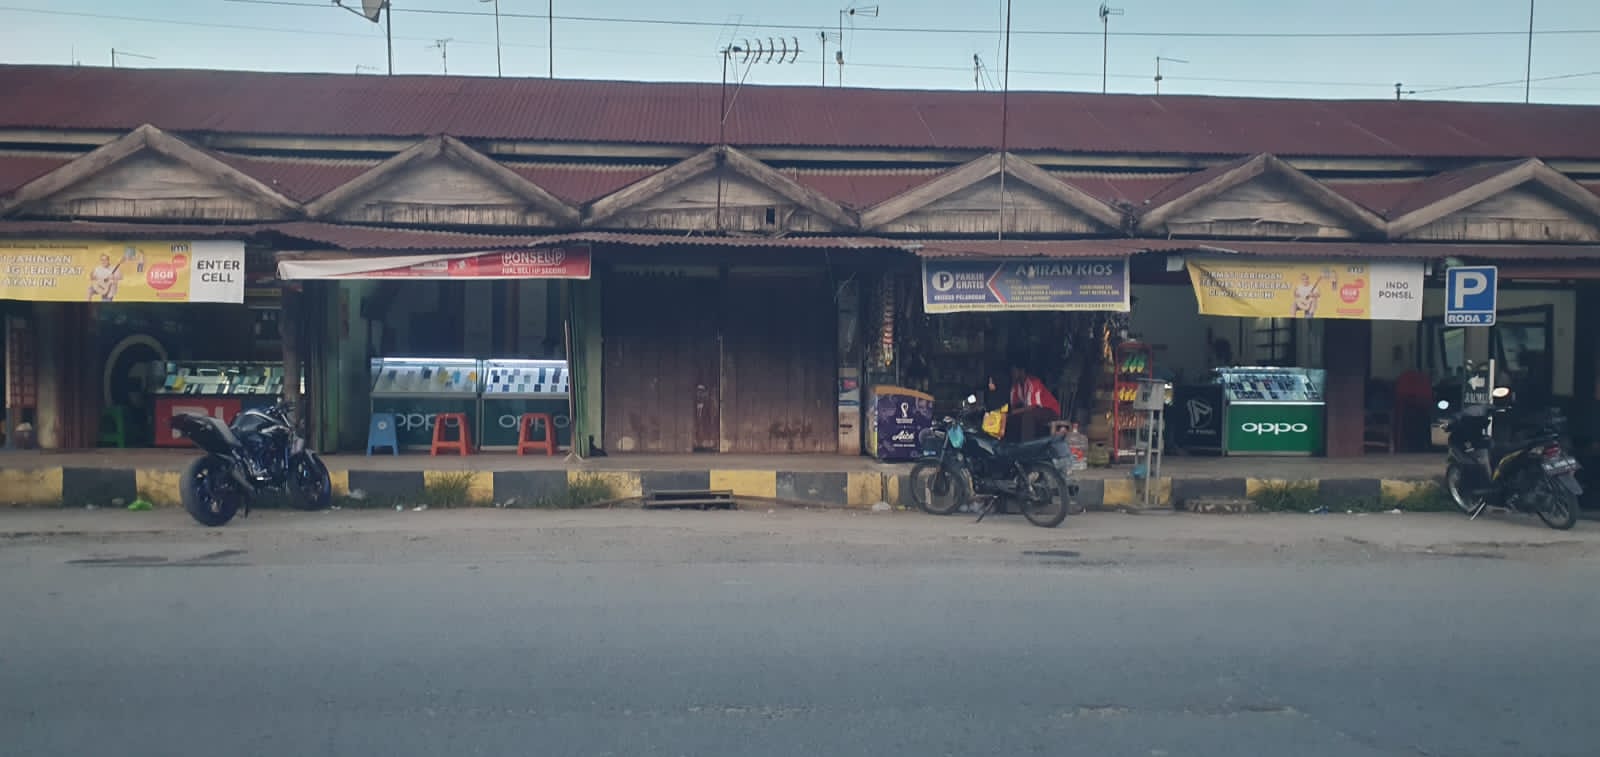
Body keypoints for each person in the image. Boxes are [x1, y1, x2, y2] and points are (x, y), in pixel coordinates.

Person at [1007, 363, 1061, 442]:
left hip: (1050, 411)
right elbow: (1014, 406)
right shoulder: (1016, 385)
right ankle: (1013, 446)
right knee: (1011, 417)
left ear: (1022, 371)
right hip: (1036, 412)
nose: (1012, 374)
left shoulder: (1033, 382)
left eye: (1014, 371)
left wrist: (1013, 411)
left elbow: (1032, 407)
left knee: (1027, 416)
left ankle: (1027, 447)